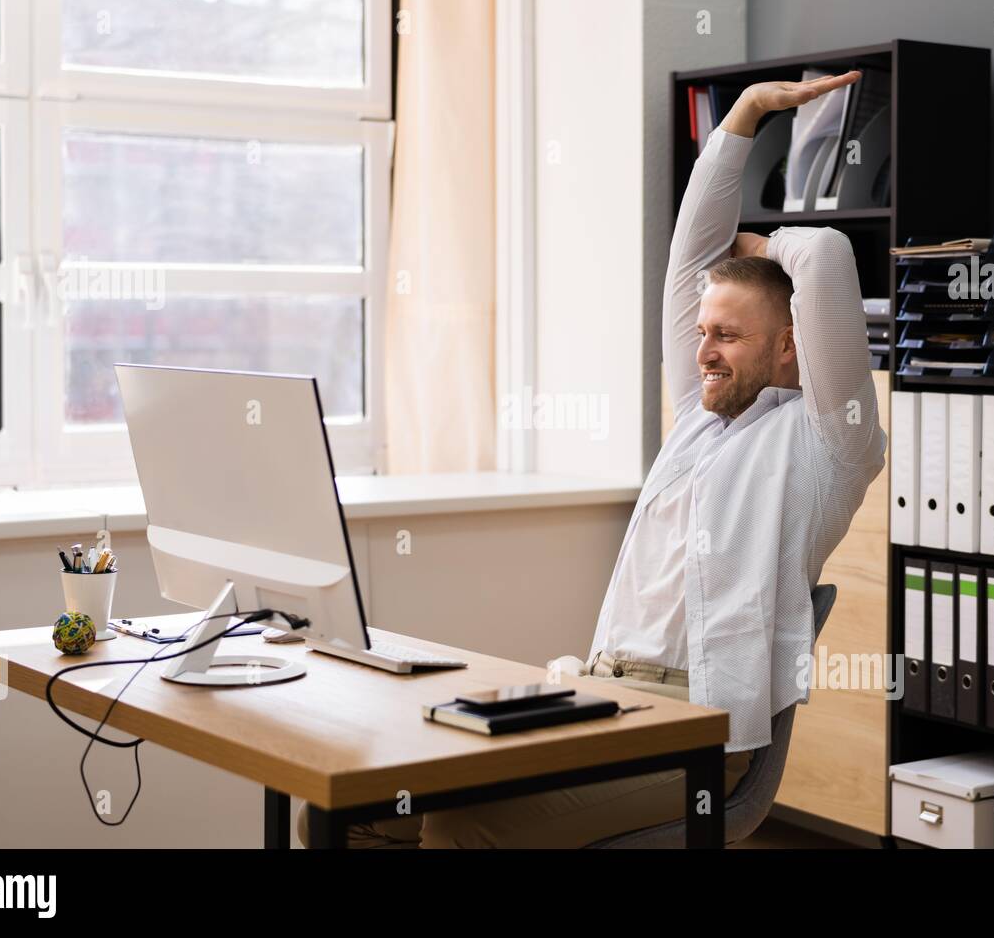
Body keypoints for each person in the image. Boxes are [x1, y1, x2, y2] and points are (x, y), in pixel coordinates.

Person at [298, 70, 885, 848]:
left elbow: (830, 255)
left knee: (456, 830)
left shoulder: (829, 446)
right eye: (702, 331)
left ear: (789, 346)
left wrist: (766, 245)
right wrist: (742, 117)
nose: (701, 349)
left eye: (727, 335)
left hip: (699, 741)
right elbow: (689, 265)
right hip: (598, 698)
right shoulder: (695, 426)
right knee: (344, 813)